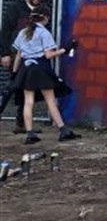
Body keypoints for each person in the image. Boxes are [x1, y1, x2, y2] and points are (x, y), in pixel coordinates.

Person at [15, 8, 80, 144]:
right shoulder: (44, 33)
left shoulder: (23, 32)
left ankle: (30, 134)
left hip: (26, 69)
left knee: (28, 102)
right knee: (50, 100)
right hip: (40, 68)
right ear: (44, 17)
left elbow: (19, 55)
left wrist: (15, 72)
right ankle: (63, 130)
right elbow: (48, 55)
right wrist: (65, 49)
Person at [0, 0, 50, 133]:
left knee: (25, 88)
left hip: (33, 56)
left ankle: (21, 124)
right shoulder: (16, 8)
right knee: (13, 86)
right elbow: (5, 30)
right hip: (17, 54)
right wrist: (5, 53)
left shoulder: (41, 10)